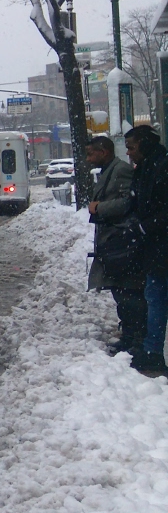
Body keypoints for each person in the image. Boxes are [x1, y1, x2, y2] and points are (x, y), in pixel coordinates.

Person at [84, 136, 145, 358]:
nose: (89, 159)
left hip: (121, 243)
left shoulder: (120, 171)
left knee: (127, 291)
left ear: (104, 152)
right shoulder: (111, 170)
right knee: (121, 291)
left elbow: (128, 202)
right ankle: (130, 335)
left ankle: (135, 338)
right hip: (114, 242)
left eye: (91, 154)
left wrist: (99, 207)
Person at [126, 126, 168, 374]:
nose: (129, 152)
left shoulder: (159, 167)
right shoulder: (148, 166)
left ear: (144, 143)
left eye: (131, 147)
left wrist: (144, 227)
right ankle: (152, 349)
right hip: (155, 245)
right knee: (155, 296)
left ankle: (153, 351)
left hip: (159, 244)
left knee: (156, 297)